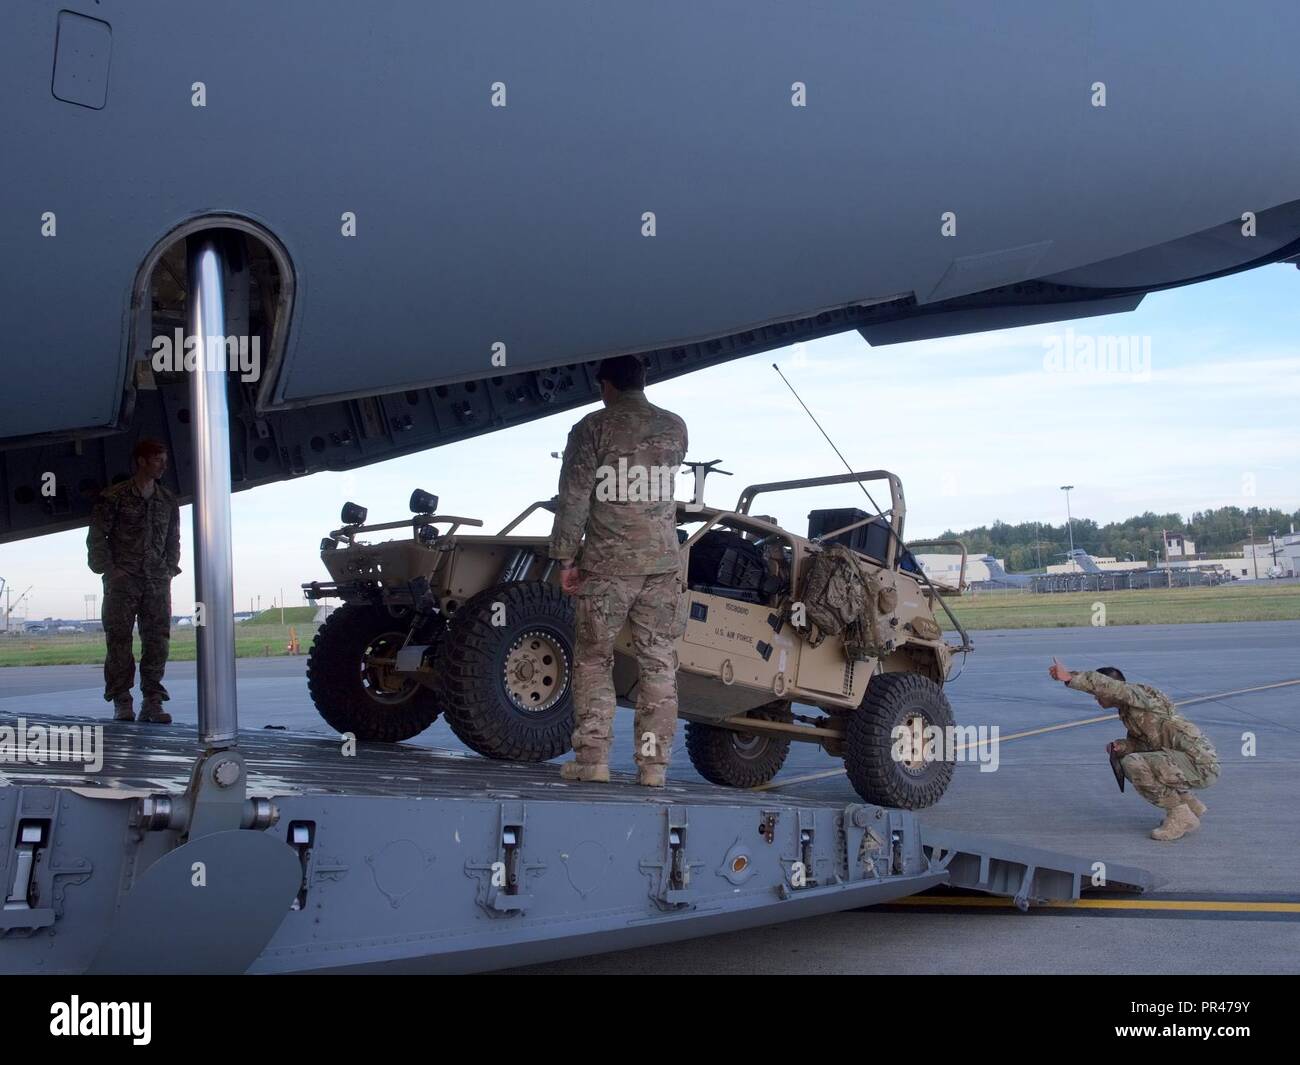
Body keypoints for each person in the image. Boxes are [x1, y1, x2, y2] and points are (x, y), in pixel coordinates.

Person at [549, 355, 688, 787]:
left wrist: (565, 558)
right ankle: (653, 767)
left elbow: (573, 498)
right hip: (663, 564)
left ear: (605, 386)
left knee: (593, 660)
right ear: (643, 381)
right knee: (659, 664)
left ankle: (592, 761)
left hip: (609, 565)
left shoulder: (593, 428)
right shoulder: (675, 426)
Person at [1049, 660, 1219, 841]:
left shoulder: (1142, 695)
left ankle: (1180, 814)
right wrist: (1123, 746)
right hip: (1185, 760)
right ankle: (1188, 803)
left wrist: (1069, 678)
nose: (1096, 697)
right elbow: (1147, 745)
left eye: (1098, 692)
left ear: (1110, 687)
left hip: (1199, 764)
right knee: (1132, 757)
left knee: (1133, 764)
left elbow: (1111, 686)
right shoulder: (1131, 710)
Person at [87, 439, 181, 723]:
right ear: (141, 461)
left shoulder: (166, 500)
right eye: (158, 460)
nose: (163, 465)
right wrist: (110, 570)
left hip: (156, 582)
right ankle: (122, 700)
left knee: (157, 642)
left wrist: (169, 569)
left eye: (164, 460)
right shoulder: (114, 497)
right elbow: (96, 537)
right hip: (123, 581)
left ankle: (152, 702)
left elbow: (172, 538)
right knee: (119, 642)